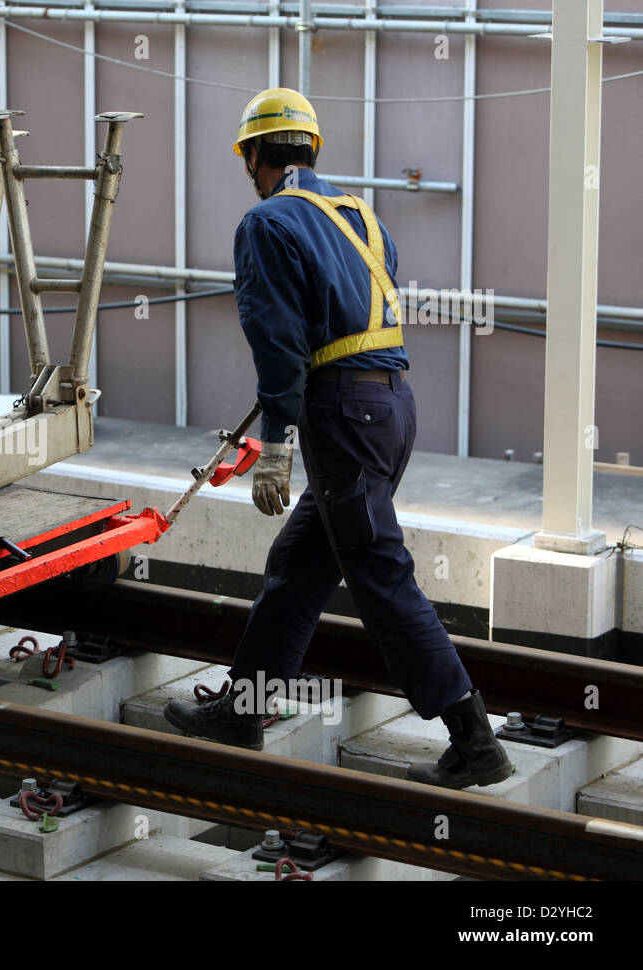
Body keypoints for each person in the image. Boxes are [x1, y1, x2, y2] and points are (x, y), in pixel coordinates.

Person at [163, 87, 512, 790]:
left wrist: (279, 442)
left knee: (380, 576)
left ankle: (475, 740)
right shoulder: (362, 217)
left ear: (253, 154)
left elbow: (277, 344)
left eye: (248, 159)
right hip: (388, 409)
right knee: (299, 567)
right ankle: (243, 710)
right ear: (313, 150)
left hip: (343, 421)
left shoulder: (267, 222)